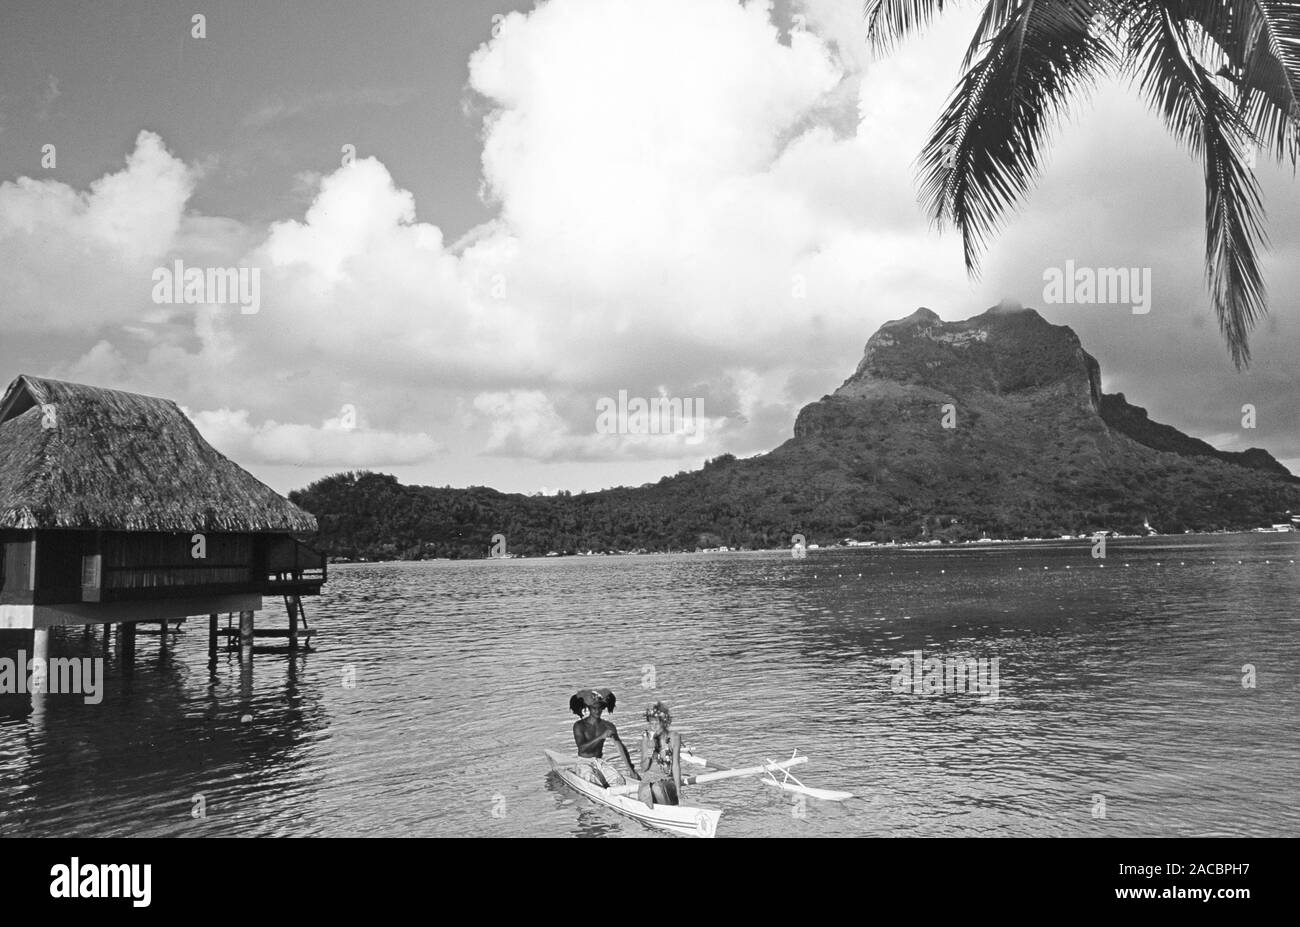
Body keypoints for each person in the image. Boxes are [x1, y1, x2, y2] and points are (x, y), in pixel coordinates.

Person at [569, 688, 639, 788]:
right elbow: (581, 748)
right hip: (583, 761)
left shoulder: (608, 726)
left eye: (599, 708)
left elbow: (620, 747)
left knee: (620, 781)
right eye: (594, 708)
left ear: (603, 708)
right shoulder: (579, 725)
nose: (597, 711)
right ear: (588, 708)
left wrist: (631, 771)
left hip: (599, 761)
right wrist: (601, 737)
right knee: (593, 782)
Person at [637, 701, 682, 809]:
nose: (654, 728)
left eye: (657, 724)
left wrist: (678, 790)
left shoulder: (675, 737)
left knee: (662, 788)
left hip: (667, 780)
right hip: (650, 782)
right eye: (651, 724)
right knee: (657, 788)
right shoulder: (646, 738)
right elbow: (643, 768)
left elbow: (675, 765)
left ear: (664, 723)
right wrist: (649, 751)